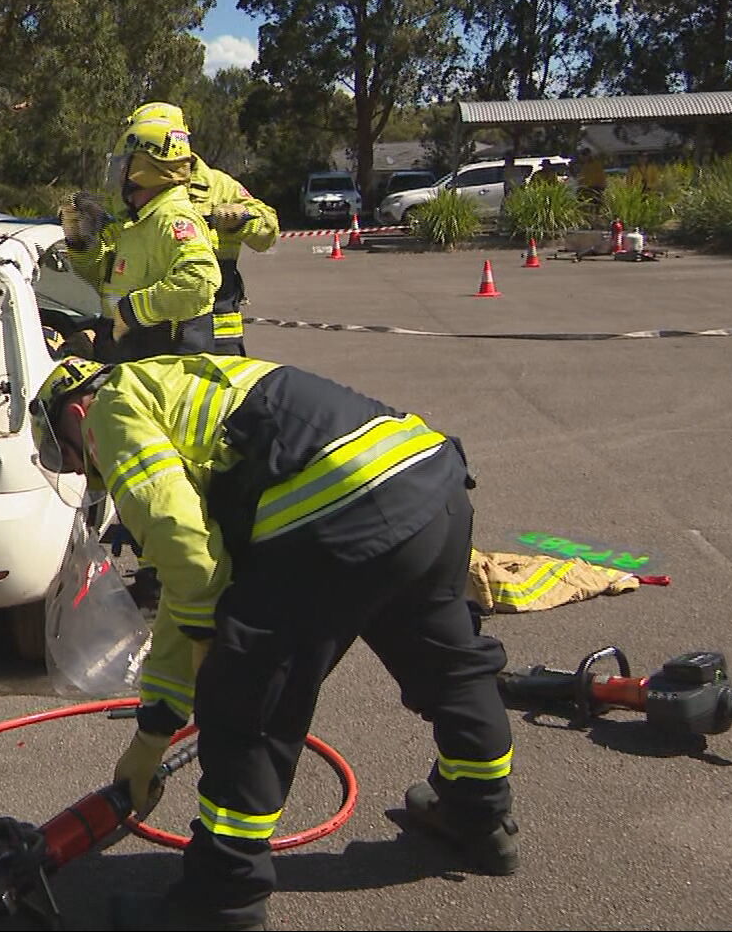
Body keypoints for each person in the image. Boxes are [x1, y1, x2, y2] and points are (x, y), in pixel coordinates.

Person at [30, 355, 518, 931]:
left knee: (247, 709)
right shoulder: (180, 375)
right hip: (431, 481)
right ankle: (479, 817)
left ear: (77, 414)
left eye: (73, 459)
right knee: (448, 664)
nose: (89, 478)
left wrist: (161, 726)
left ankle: (221, 901)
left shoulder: (110, 410)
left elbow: (191, 563)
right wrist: (157, 721)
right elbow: (193, 579)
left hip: (340, 516)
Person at [62, 116, 221, 362]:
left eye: (125, 164)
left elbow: (199, 281)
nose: (120, 172)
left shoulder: (172, 218)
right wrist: (80, 242)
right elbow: (107, 286)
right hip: (134, 354)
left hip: (164, 365)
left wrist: (131, 312)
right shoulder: (138, 221)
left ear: (145, 168)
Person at [125, 102, 277, 354]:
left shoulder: (219, 186)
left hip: (218, 332)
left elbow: (268, 233)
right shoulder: (131, 189)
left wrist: (242, 219)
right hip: (151, 330)